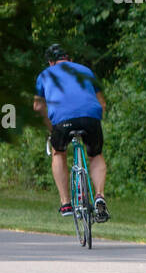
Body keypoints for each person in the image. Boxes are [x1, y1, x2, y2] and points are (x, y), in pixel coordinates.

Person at [33, 44, 110, 222]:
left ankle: (66, 202)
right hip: (91, 117)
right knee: (96, 155)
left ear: (51, 62)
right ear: (70, 59)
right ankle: (99, 195)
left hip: (61, 119)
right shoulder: (86, 71)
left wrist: (50, 128)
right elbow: (102, 103)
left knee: (58, 153)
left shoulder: (44, 74)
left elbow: (37, 106)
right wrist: (96, 122)